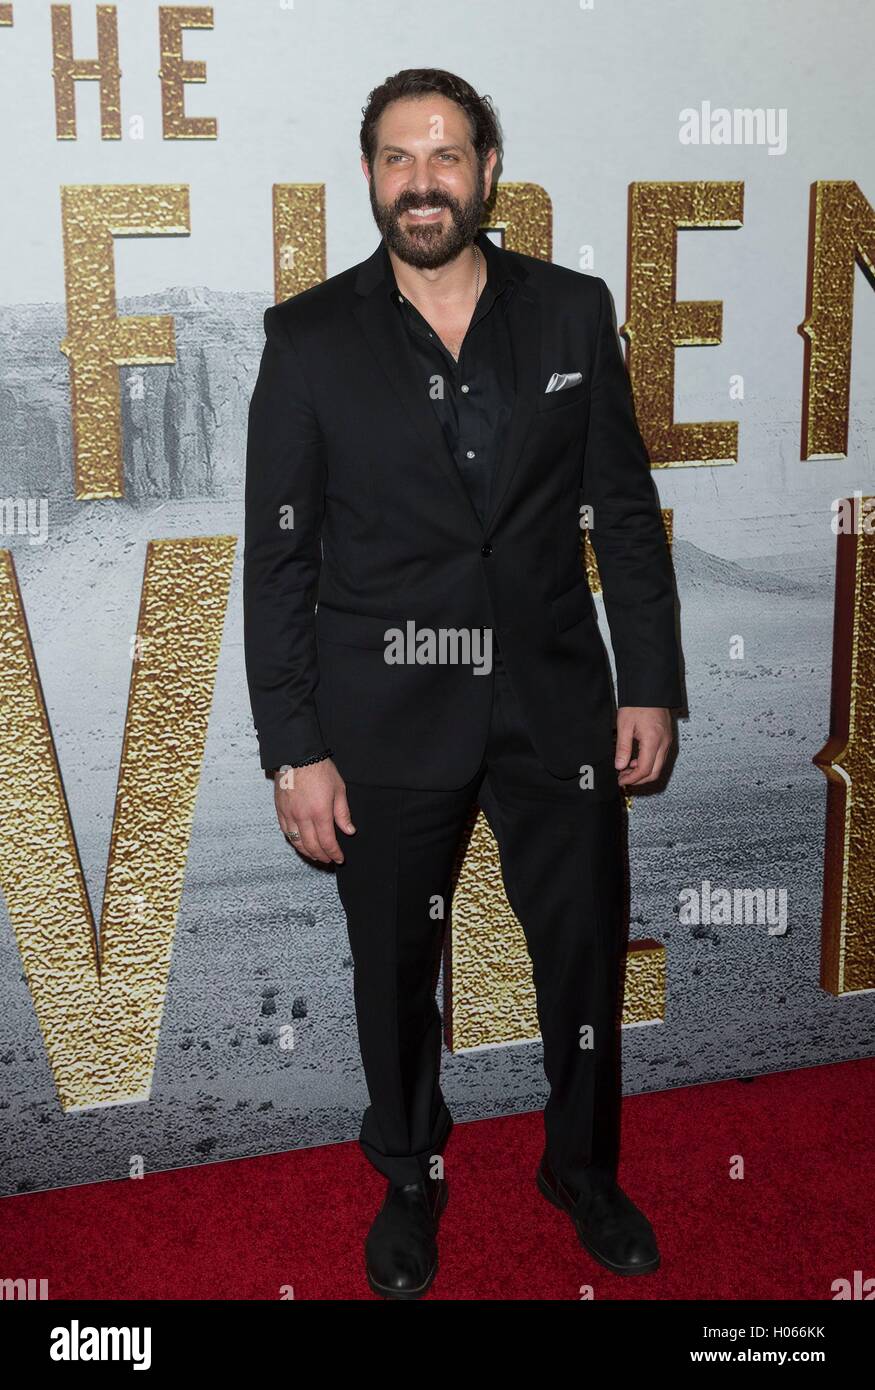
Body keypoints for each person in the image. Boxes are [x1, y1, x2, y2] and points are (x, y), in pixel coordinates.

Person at [243, 67, 683, 1300]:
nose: (422, 181)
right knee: (392, 965)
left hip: (553, 701)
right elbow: (279, 558)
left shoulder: (570, 314)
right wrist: (295, 746)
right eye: (396, 157)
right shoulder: (309, 338)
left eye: (445, 156)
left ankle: (581, 1169)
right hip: (379, 712)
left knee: (583, 951)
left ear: (488, 170)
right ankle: (408, 1178)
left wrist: (645, 680)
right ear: (371, 176)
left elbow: (625, 517)